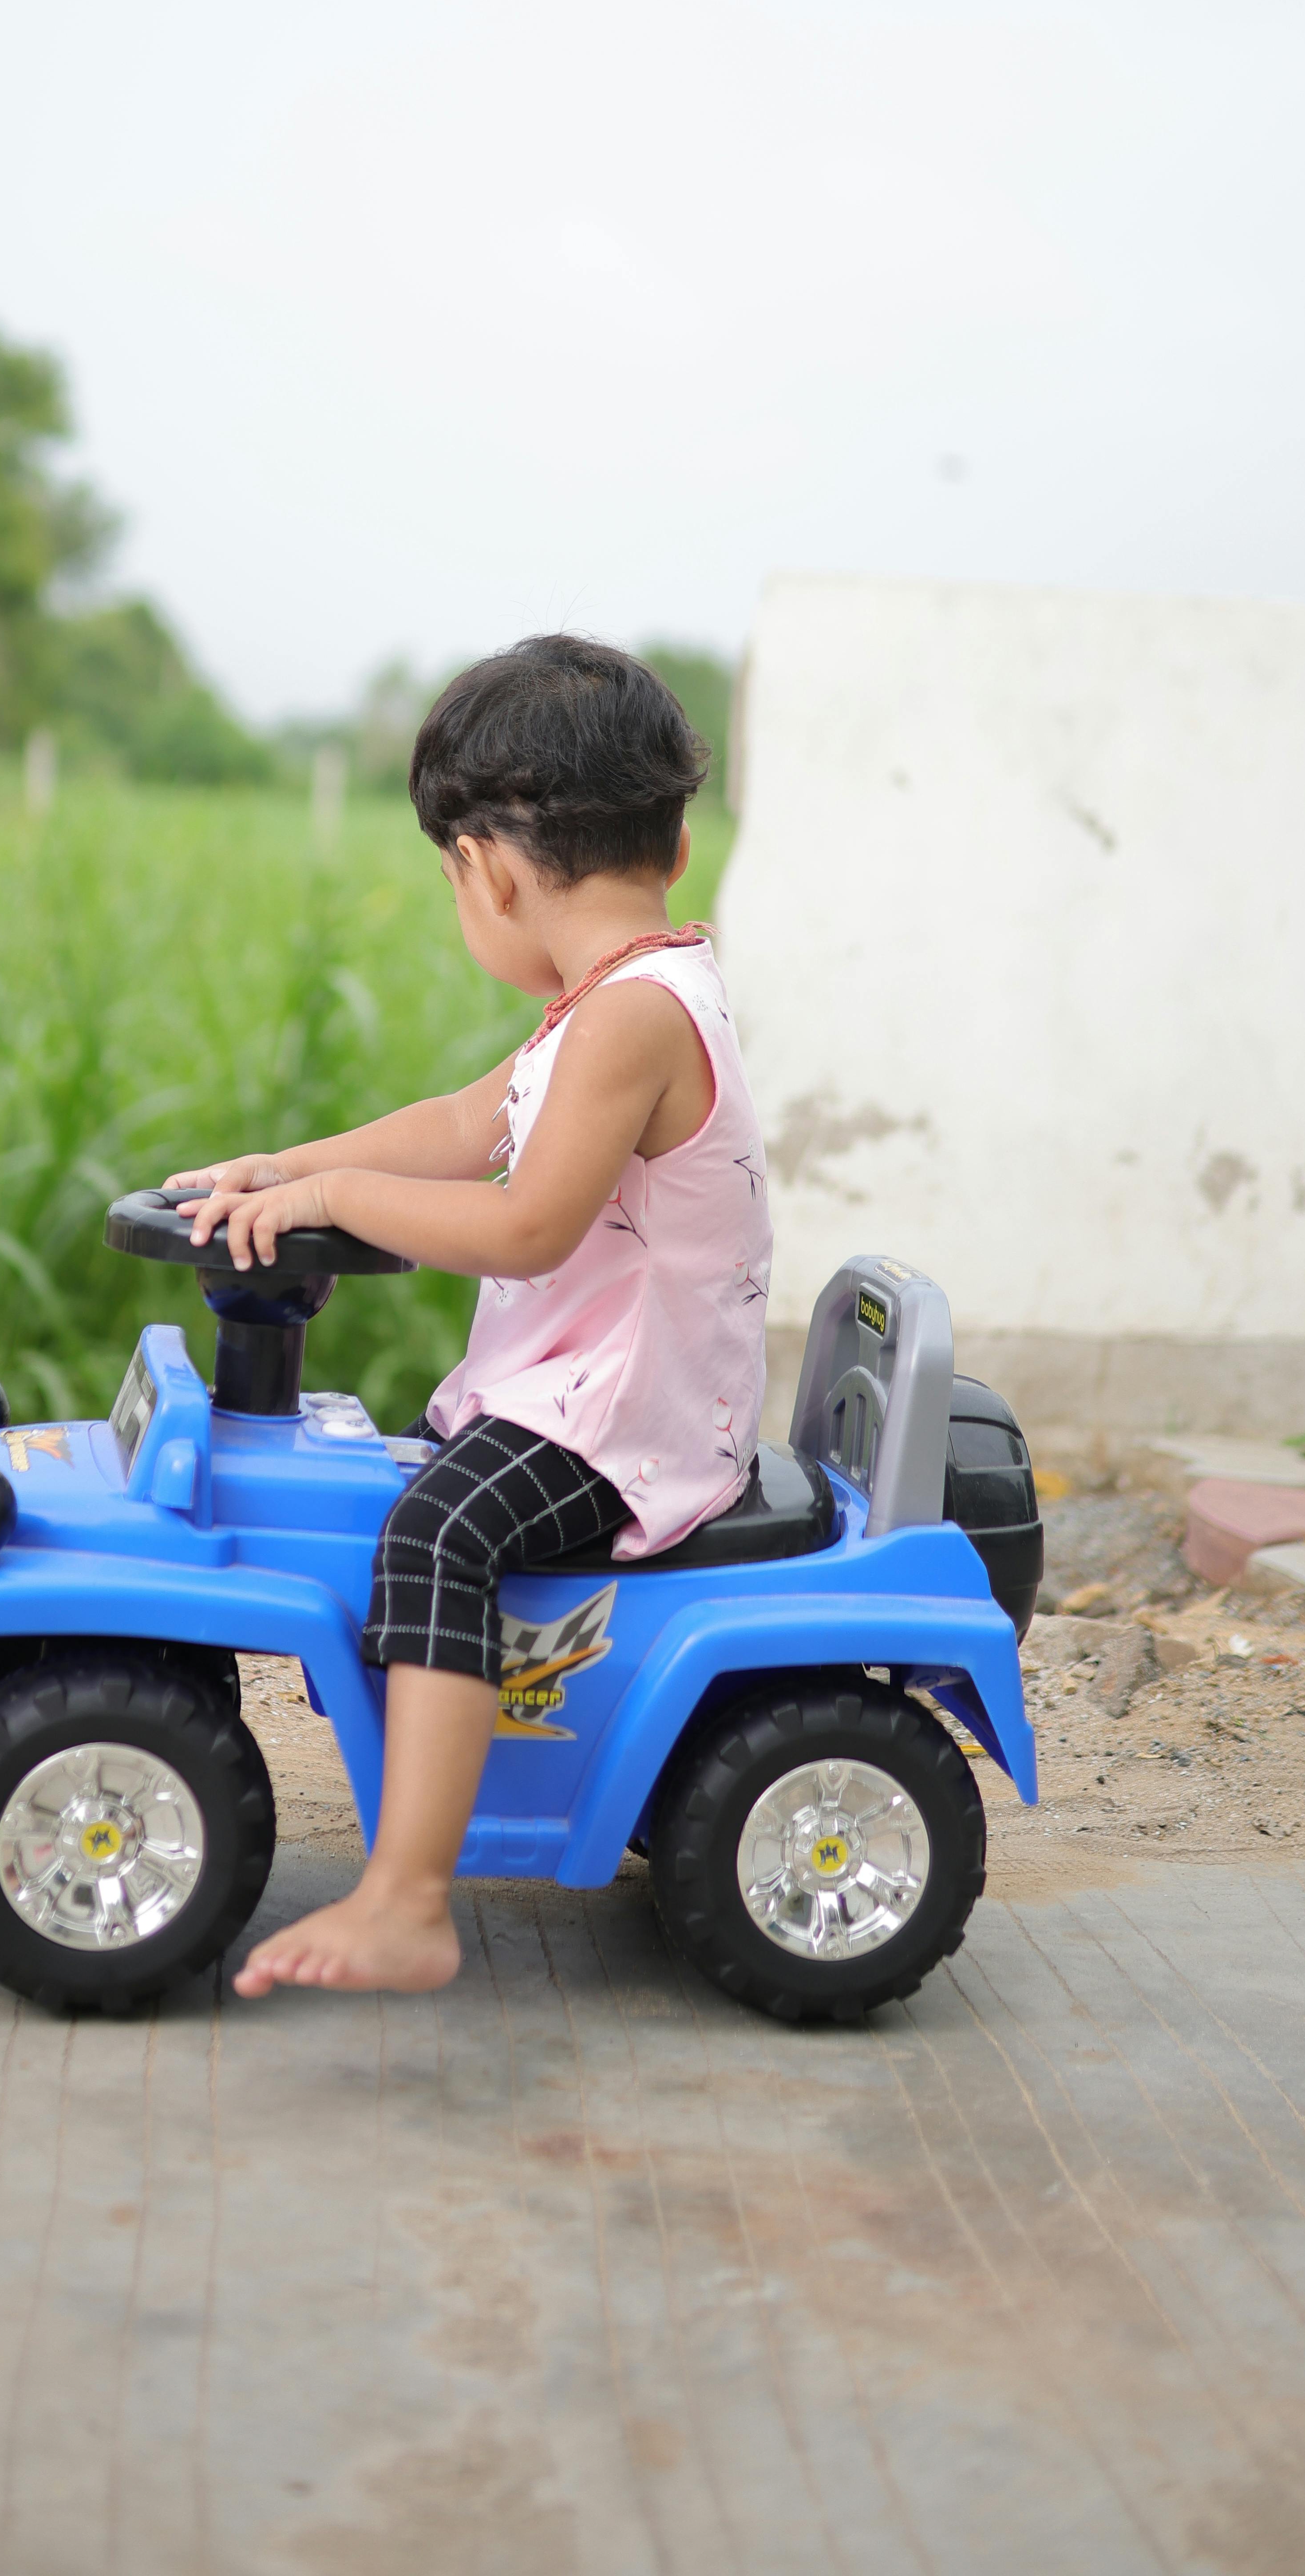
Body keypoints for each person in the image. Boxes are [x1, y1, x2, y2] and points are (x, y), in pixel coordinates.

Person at [166, 632, 771, 1997]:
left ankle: (409, 1900)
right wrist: (289, 1167)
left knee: (435, 1532)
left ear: (485, 870)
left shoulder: (629, 1022)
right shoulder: (612, 999)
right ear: (673, 847)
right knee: (417, 1477)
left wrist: (343, 1197)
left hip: (627, 1415)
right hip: (589, 1382)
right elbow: (461, 1124)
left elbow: (523, 1223)